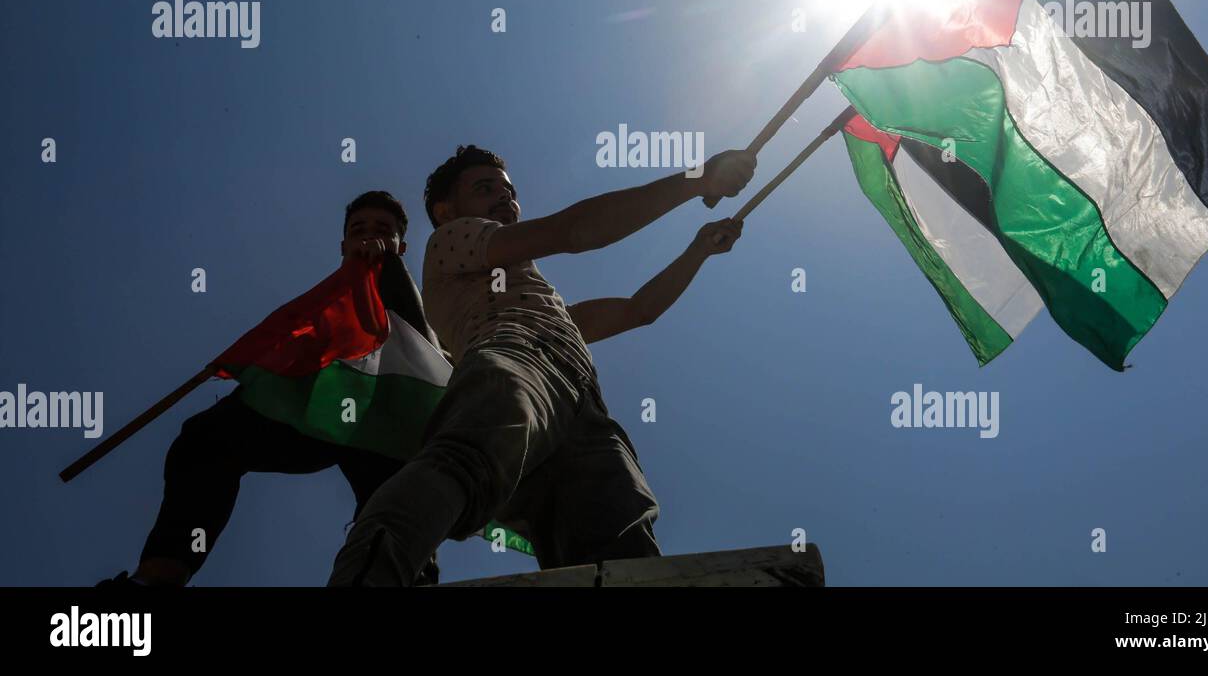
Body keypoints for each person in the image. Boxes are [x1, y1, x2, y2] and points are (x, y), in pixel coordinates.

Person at [328, 144, 755, 585]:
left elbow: (638, 310)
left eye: (508, 190)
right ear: (445, 210)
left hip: (581, 399)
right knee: (467, 459)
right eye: (484, 188)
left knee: (618, 531)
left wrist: (698, 251)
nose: (504, 198)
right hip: (514, 358)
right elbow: (573, 231)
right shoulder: (453, 240)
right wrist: (697, 180)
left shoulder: (540, 299)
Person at [98, 191, 443, 587]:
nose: (369, 237)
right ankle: (159, 576)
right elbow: (294, 338)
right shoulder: (326, 303)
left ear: (401, 244)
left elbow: (427, 348)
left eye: (383, 230)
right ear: (342, 244)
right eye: (358, 230)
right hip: (318, 407)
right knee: (205, 439)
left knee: (393, 501)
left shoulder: (411, 297)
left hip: (387, 415)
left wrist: (390, 267)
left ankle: (406, 579)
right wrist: (255, 357)